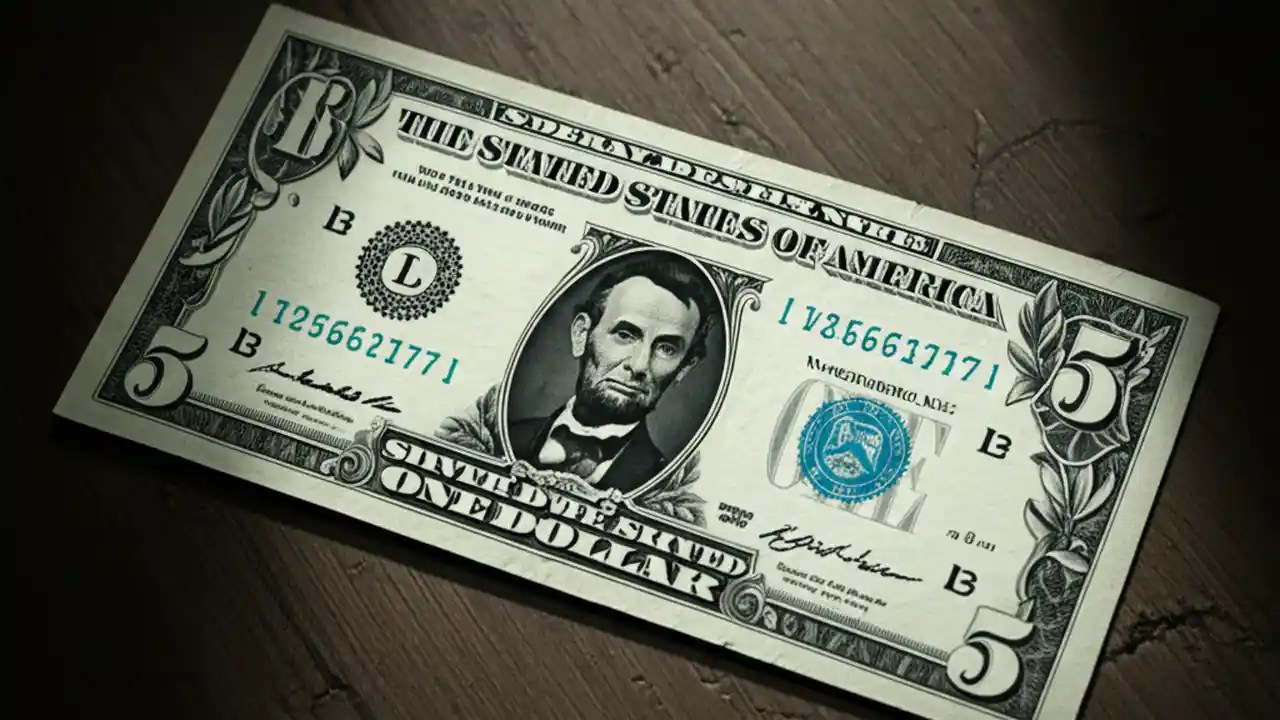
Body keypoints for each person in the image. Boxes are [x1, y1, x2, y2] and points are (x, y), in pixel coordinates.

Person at [508, 254, 717, 494]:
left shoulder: (662, 488)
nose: (639, 366)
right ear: (581, 334)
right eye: (625, 335)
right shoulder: (507, 436)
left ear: (685, 367)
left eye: (666, 349)